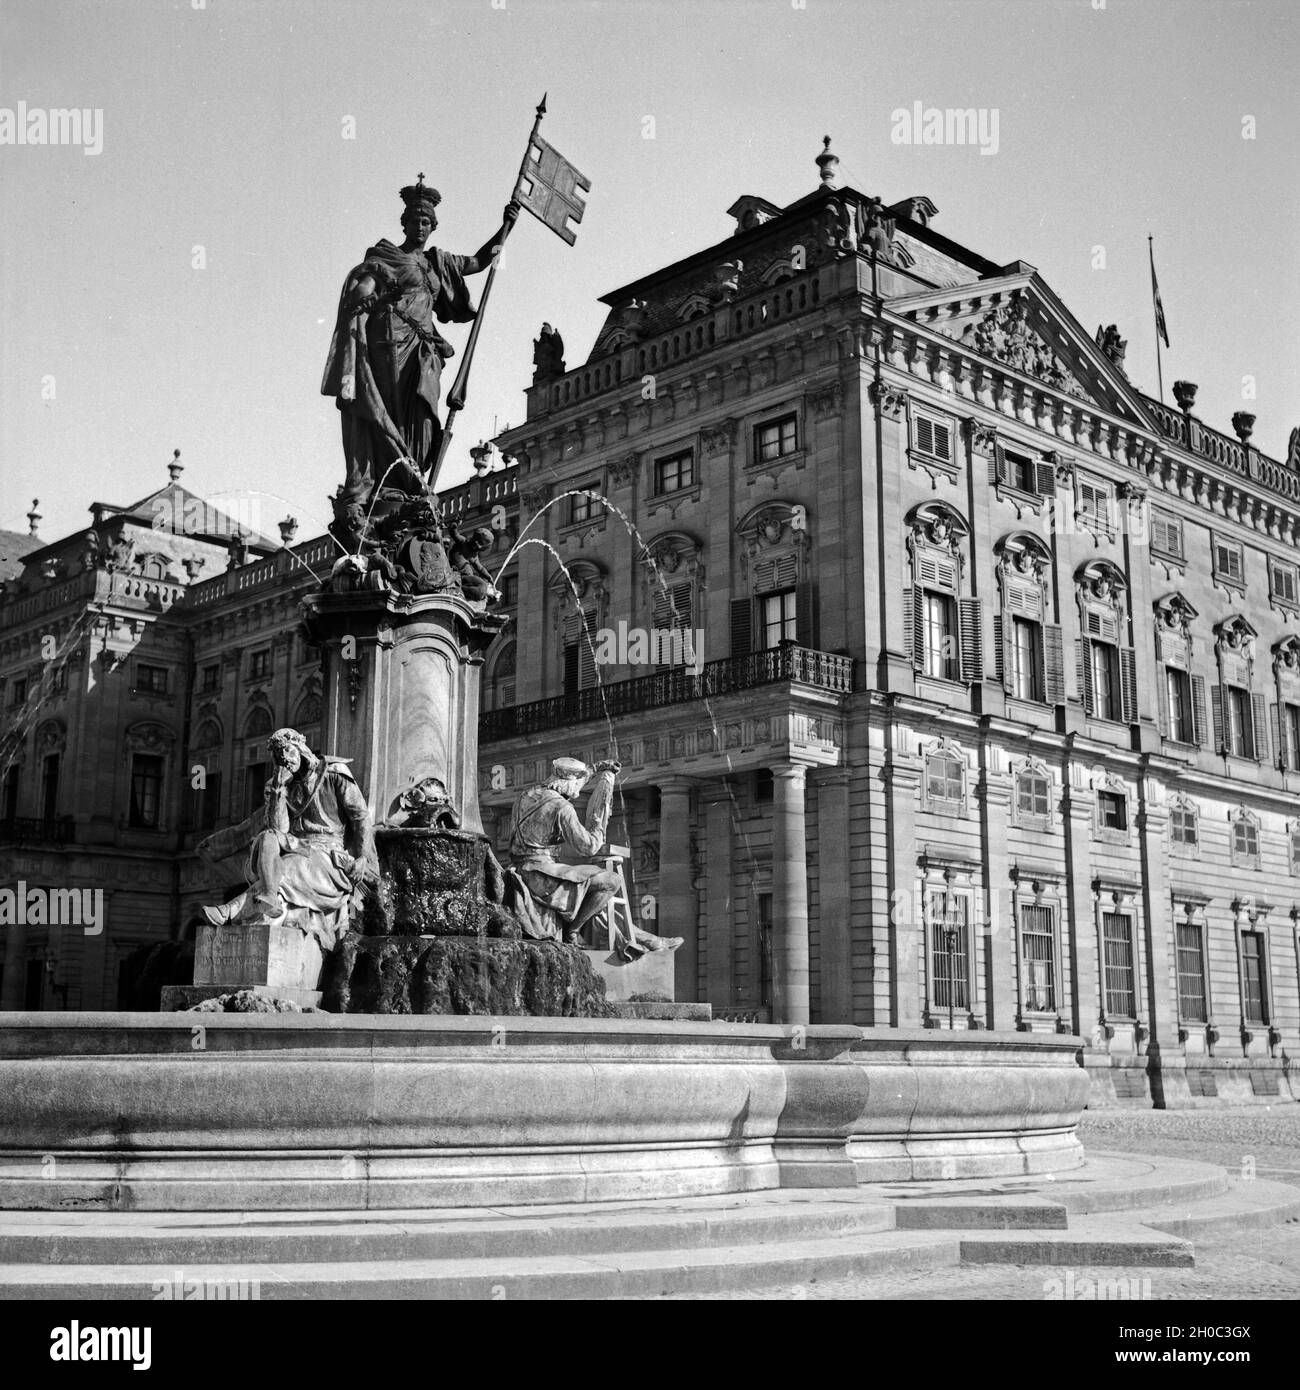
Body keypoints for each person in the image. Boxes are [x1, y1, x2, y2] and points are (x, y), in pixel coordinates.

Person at [321, 177, 520, 506]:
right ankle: (389, 483)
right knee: (388, 411)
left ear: (433, 226)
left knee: (424, 415)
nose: (420, 228)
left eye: (426, 222)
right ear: (405, 223)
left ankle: (411, 479)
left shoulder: (437, 263)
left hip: (424, 350)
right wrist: (364, 295)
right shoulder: (387, 256)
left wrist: (505, 228)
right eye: (415, 221)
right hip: (390, 346)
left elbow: (479, 262)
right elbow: (367, 283)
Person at [199, 728, 376, 950]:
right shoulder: (279, 785)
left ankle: (231, 909)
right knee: (268, 837)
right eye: (278, 757)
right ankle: (269, 895)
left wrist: (361, 858)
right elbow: (278, 827)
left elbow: (361, 818)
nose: (284, 760)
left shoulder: (334, 773)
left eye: (287, 753)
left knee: (284, 869)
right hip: (298, 845)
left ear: (301, 749)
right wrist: (278, 789)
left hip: (330, 853)